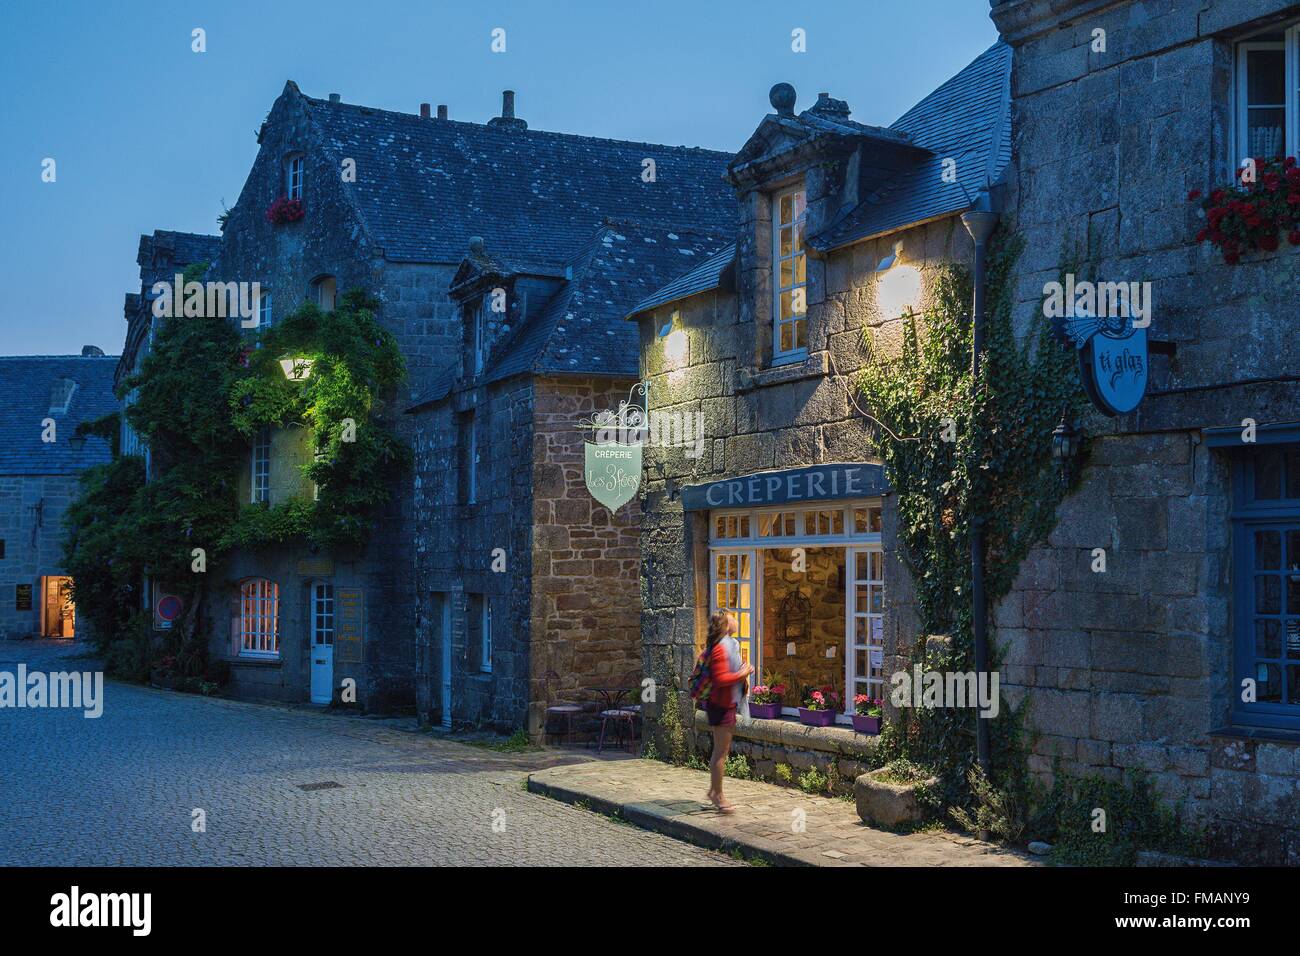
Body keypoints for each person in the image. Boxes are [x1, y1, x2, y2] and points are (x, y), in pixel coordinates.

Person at [704, 611, 752, 813]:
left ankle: (715, 791)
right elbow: (721, 679)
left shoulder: (728, 644)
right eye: (732, 618)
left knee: (721, 751)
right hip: (720, 705)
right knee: (720, 752)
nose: (736, 621)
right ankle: (718, 795)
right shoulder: (721, 648)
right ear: (725, 625)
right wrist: (743, 673)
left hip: (725, 704)